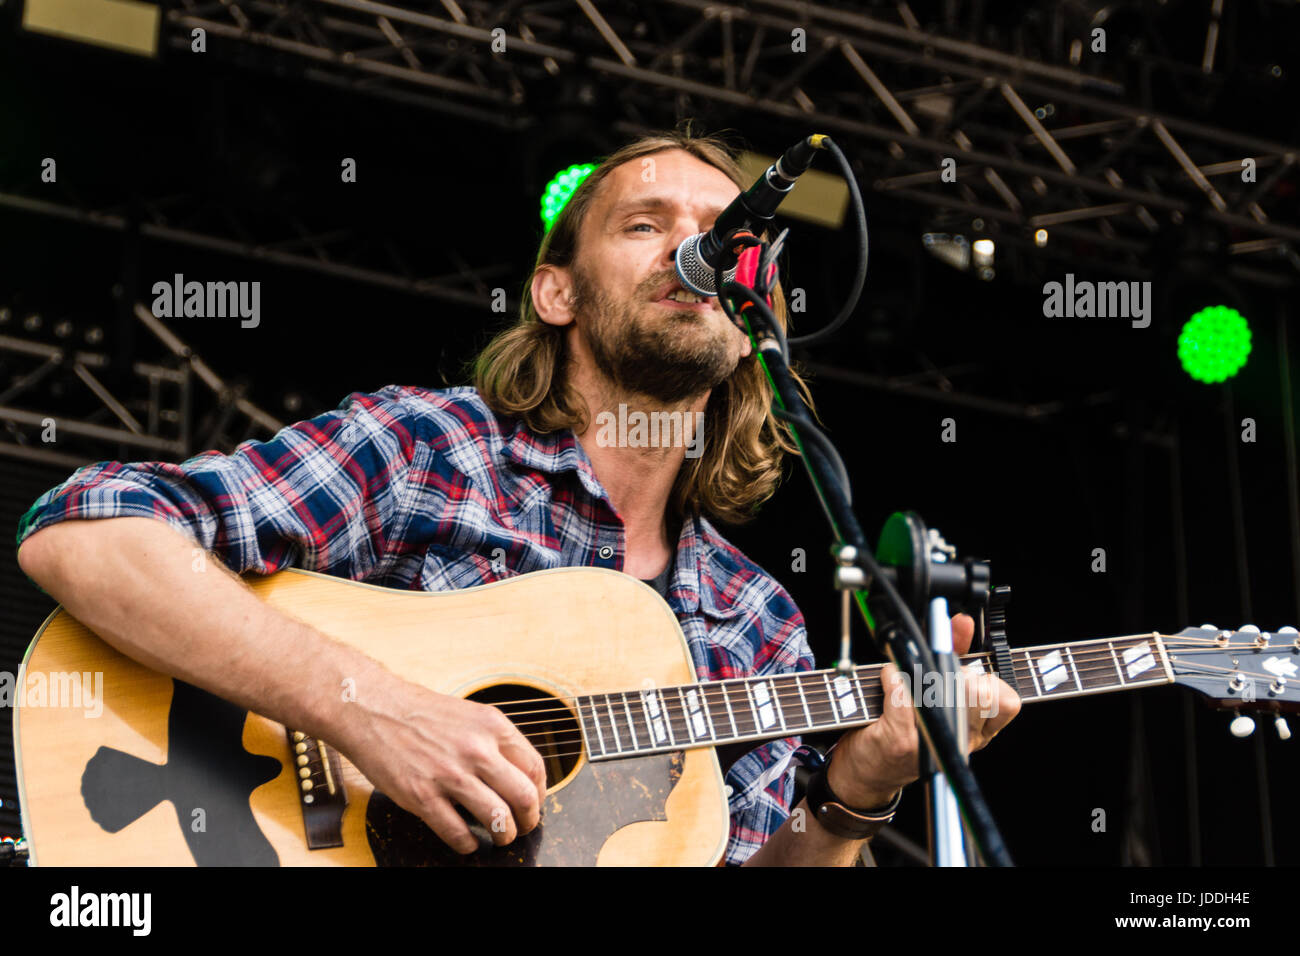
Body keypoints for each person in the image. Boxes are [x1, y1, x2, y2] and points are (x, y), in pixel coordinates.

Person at [16, 127, 1020, 866]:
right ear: (557, 292)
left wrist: (858, 786)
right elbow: (84, 532)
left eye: (723, 233)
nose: (693, 247)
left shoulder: (759, 621)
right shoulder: (429, 451)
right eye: (645, 223)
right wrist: (374, 710)